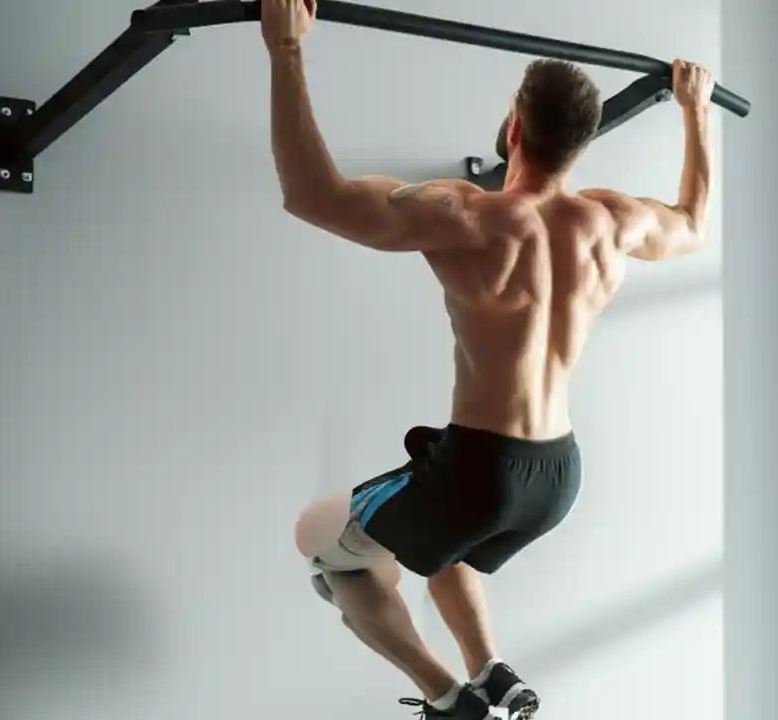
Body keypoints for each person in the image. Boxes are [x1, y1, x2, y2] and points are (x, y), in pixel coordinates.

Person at [261, 0, 715, 717]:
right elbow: (692, 222)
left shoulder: (465, 215)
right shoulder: (610, 222)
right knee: (446, 550)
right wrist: (698, 112)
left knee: (324, 548)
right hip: (557, 475)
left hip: (480, 469)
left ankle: (447, 699)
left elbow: (311, 195)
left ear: (512, 128)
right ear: (582, 144)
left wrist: (285, 50)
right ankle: (493, 671)